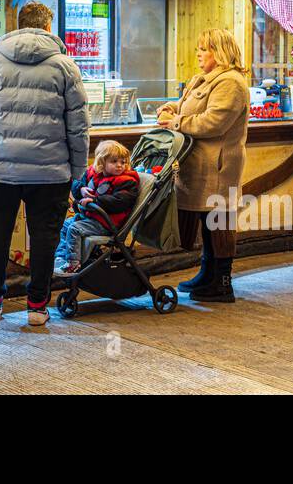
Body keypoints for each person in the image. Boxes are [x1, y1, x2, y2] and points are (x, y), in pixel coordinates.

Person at [0, 1, 88, 327]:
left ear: (18, 24)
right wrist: (77, 172)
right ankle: (37, 306)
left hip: (0, 169)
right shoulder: (66, 67)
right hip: (50, 172)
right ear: (48, 27)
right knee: (45, 239)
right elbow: (78, 126)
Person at [157, 28, 249, 303]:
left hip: (217, 166)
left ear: (219, 53)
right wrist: (173, 108)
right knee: (207, 221)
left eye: (204, 49)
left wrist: (176, 123)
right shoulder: (205, 79)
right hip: (199, 164)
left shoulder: (231, 82)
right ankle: (207, 273)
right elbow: (194, 107)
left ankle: (222, 281)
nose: (198, 53)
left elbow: (214, 121)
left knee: (219, 221)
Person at [54, 140, 139, 275]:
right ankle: (60, 258)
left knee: (74, 229)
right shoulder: (93, 174)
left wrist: (95, 200)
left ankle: (73, 264)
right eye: (114, 161)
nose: (119, 166)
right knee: (65, 225)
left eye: (123, 162)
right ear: (101, 162)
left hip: (107, 223)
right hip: (91, 218)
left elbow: (119, 202)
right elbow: (76, 183)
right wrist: (81, 189)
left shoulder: (127, 182)